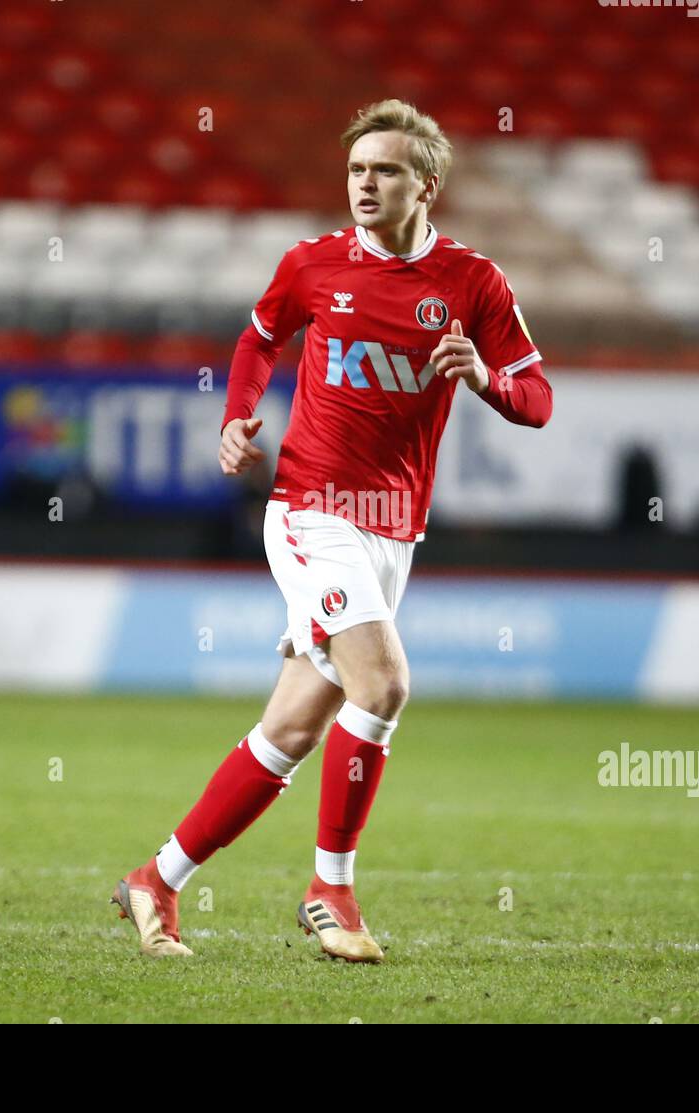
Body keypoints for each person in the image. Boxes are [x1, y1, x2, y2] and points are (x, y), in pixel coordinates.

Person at [112, 99, 552, 962]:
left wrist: (486, 381)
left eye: (384, 170)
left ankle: (155, 879)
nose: (364, 183)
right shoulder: (314, 265)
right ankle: (331, 889)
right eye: (356, 170)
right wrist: (239, 418)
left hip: (394, 532)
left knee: (291, 730)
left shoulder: (473, 282)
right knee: (383, 684)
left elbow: (538, 397)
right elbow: (257, 338)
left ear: (425, 183)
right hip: (310, 510)